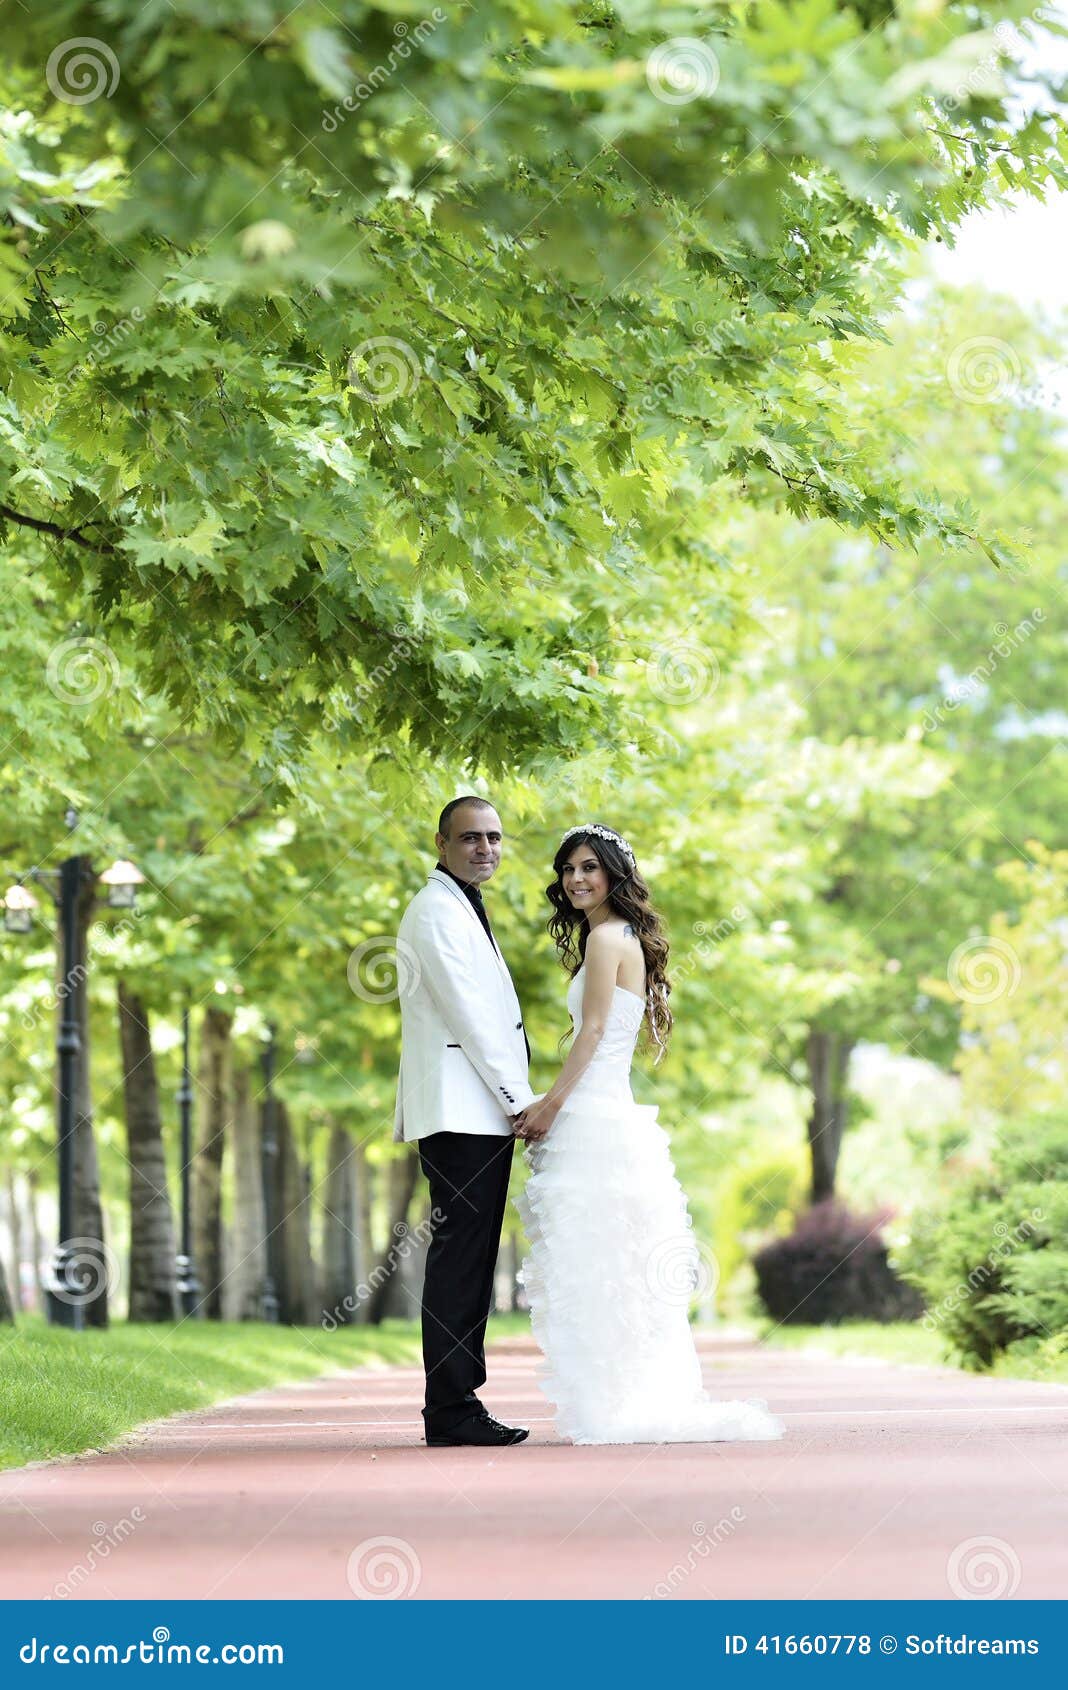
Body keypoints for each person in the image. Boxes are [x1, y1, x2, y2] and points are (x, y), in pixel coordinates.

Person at [512, 823, 786, 1446]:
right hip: (610, 1112)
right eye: (568, 869)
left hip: (595, 1116)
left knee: (598, 1262)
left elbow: (594, 1031)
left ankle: (617, 1403)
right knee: (608, 1263)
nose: (576, 879)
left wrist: (550, 1104)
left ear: (613, 873)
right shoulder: (615, 935)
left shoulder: (609, 938)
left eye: (589, 867)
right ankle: (616, 1398)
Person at [393, 795, 534, 1447]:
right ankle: (449, 1410)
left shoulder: (463, 909)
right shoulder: (435, 912)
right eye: (471, 838)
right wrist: (519, 1098)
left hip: (479, 1111)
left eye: (494, 838)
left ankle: (457, 1403)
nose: (485, 848)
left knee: (472, 1261)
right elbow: (470, 1018)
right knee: (460, 1261)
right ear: (442, 845)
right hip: (463, 1111)